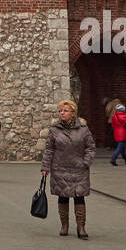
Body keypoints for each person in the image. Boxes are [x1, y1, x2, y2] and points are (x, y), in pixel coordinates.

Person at [40, 99, 95, 239]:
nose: (62, 113)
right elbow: (49, 150)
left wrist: (86, 162)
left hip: (79, 169)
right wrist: (45, 167)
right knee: (63, 197)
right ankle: (64, 225)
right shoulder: (54, 130)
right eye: (60, 111)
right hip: (60, 168)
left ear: (73, 113)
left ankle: (81, 227)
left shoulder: (83, 129)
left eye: (65, 111)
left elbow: (90, 147)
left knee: (79, 197)